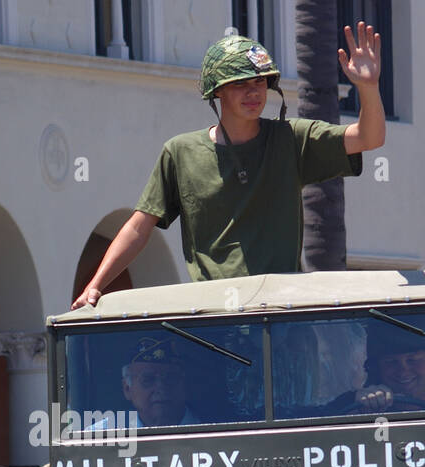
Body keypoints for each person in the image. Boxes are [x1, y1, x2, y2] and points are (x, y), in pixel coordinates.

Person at [72, 26, 382, 306]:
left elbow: (369, 138)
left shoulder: (292, 138)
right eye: (240, 83)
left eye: (259, 82)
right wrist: (95, 285)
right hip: (215, 318)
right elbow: (139, 227)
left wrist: (368, 87)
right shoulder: (180, 152)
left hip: (283, 313)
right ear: (217, 90)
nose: (253, 92)